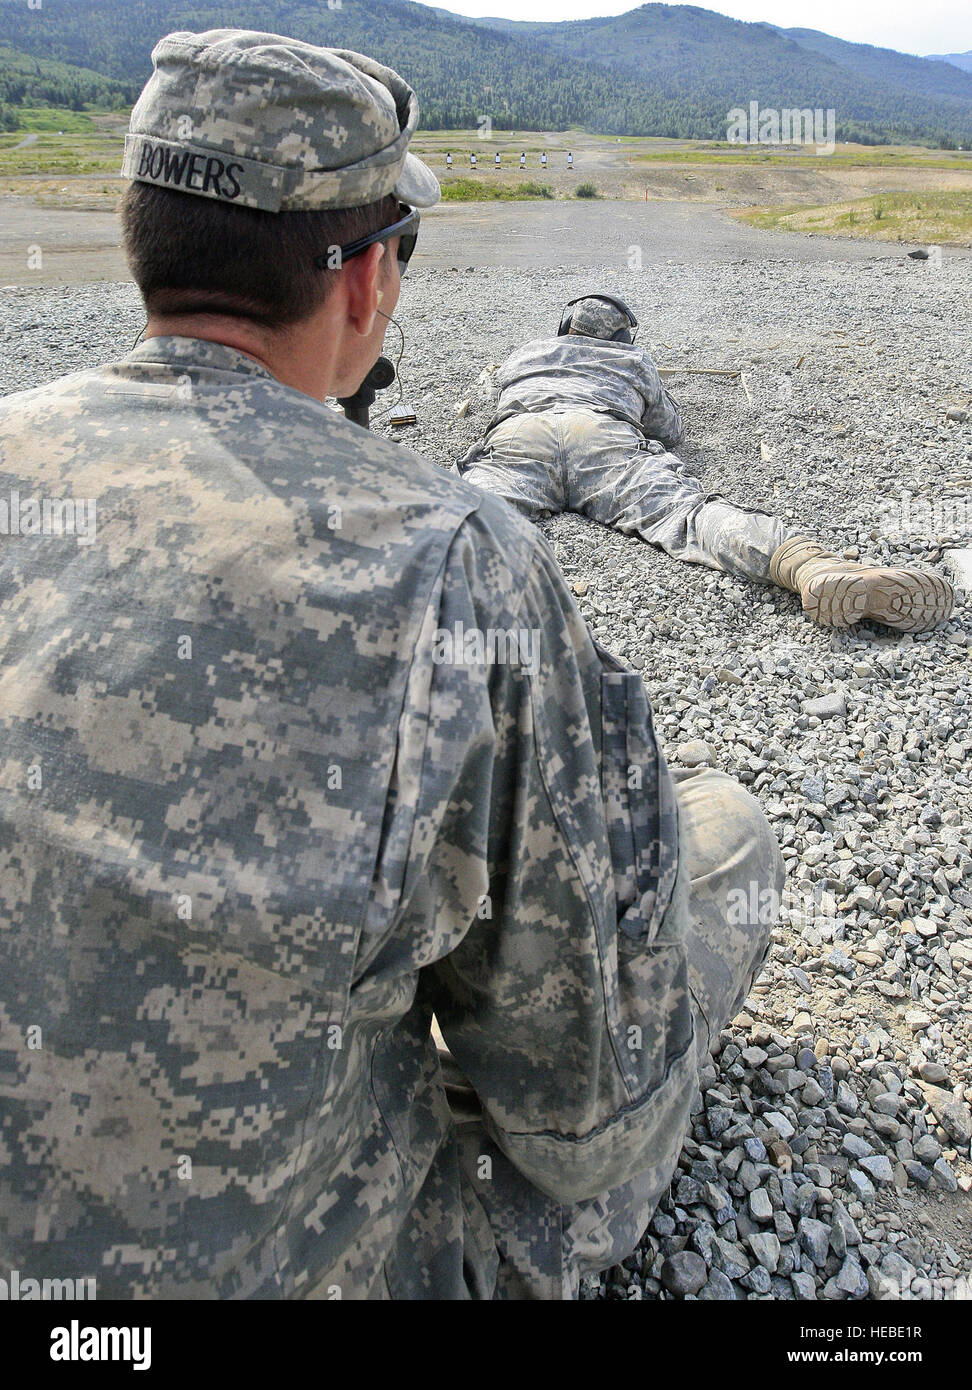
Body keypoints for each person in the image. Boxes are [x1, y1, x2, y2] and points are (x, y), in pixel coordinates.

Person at [0, 34, 781, 1301]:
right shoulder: (457, 559)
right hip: (301, 1270)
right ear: (364, 278)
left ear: (146, 244)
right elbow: (582, 1122)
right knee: (727, 834)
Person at [457, 295, 955, 633]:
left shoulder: (524, 354)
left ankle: (402, 595)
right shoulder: (632, 362)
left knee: (461, 518)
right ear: (622, 336)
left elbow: (498, 406)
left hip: (522, 433)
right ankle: (807, 564)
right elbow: (668, 430)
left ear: (564, 327)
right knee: (689, 516)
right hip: (601, 434)